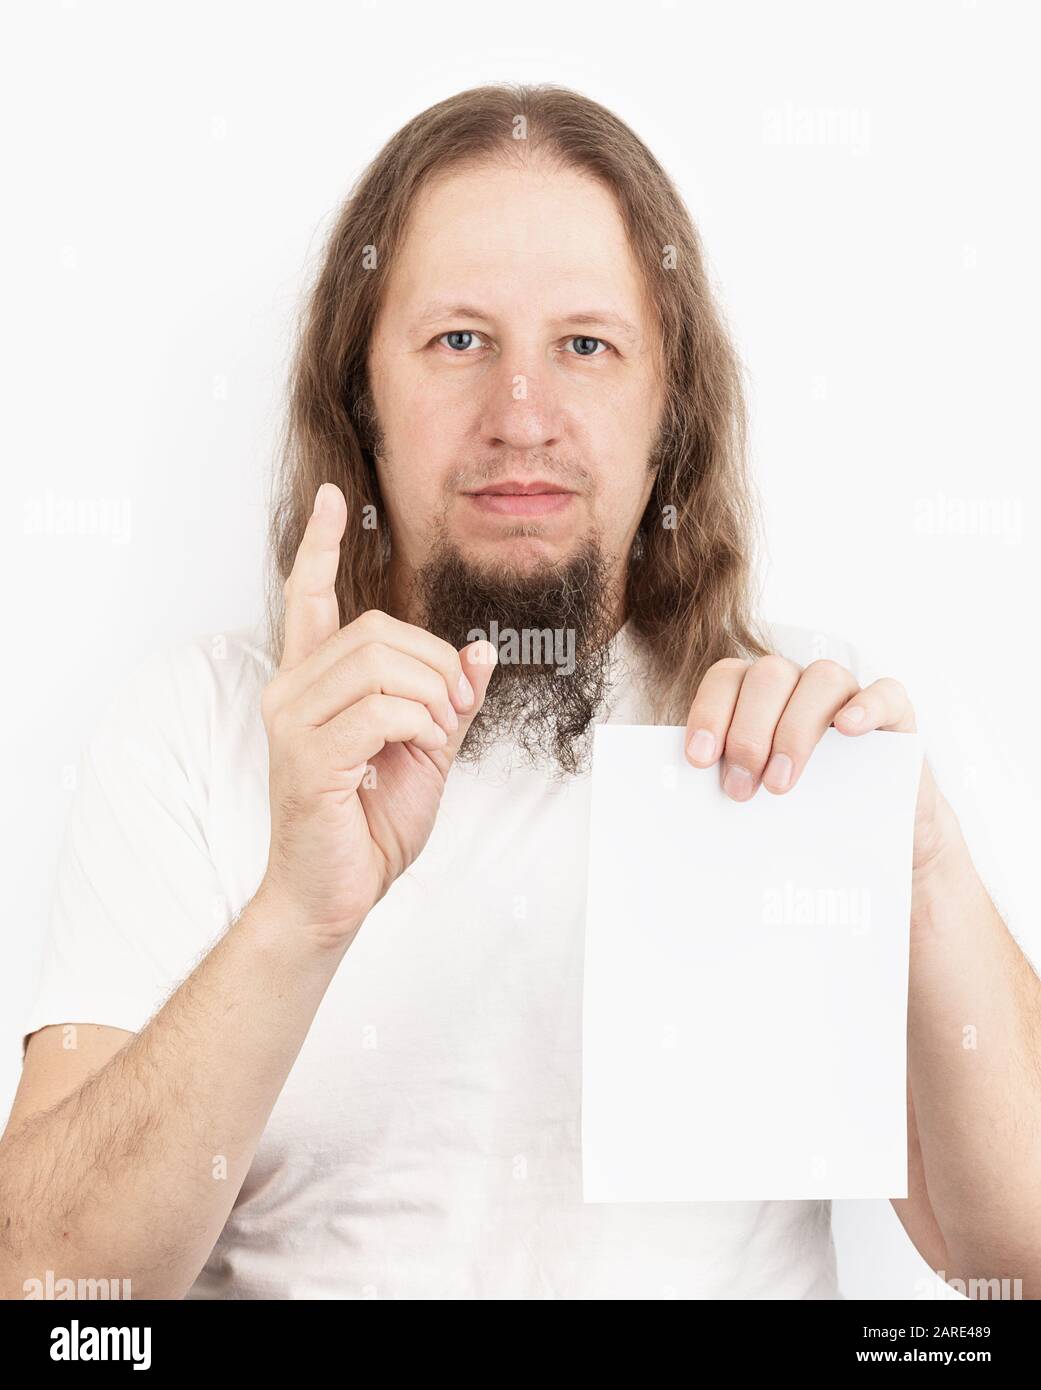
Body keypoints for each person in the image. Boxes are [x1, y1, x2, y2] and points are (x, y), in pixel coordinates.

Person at [2, 84, 1038, 1301]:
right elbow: (51, 1287)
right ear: (359, 398)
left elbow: (1011, 1259)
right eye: (459, 341)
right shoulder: (196, 731)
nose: (522, 416)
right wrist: (300, 912)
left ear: (673, 415)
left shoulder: (796, 732)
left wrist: (914, 870)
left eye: (586, 346)